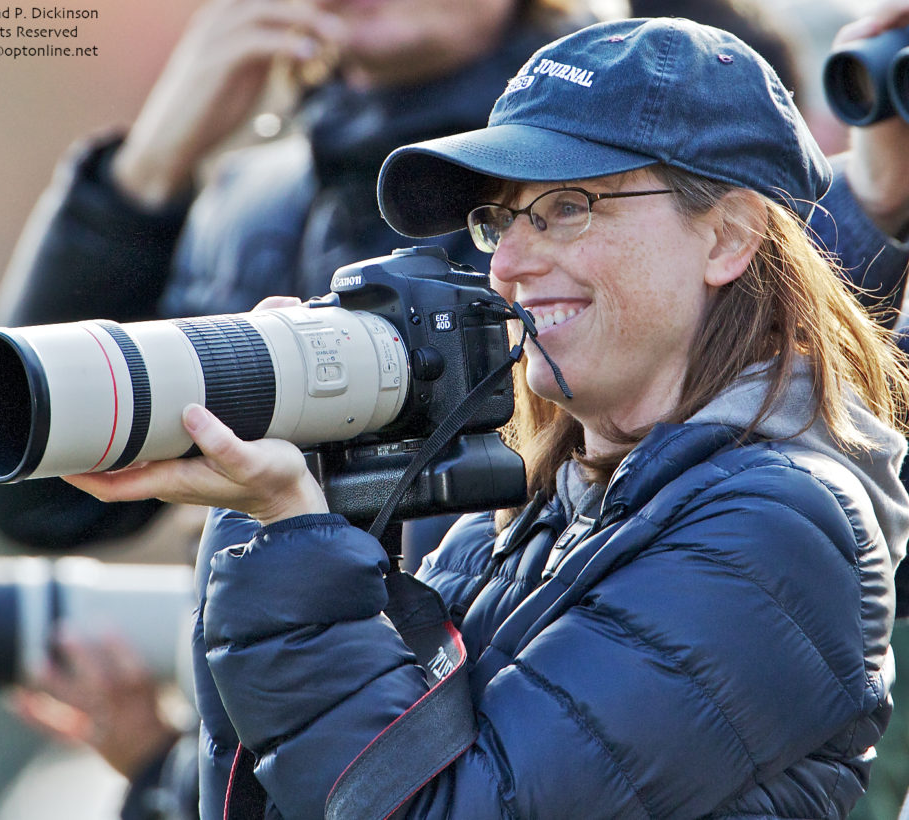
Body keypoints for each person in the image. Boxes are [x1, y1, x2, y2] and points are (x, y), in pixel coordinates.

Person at [65, 15, 909, 819]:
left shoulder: (779, 530)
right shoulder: (512, 523)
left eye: (567, 208)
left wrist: (293, 539)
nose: (506, 263)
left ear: (728, 238)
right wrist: (271, 508)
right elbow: (285, 792)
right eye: (499, 217)